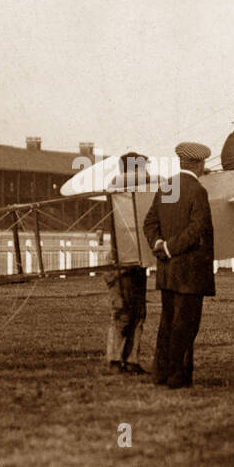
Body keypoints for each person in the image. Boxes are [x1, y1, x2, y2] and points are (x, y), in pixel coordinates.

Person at [143, 142, 215, 389]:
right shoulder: (198, 191)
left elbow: (149, 223)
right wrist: (171, 247)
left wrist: (160, 244)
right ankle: (176, 376)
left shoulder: (166, 187)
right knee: (186, 326)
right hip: (190, 271)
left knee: (168, 322)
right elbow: (198, 228)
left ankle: (160, 374)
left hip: (167, 271)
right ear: (200, 164)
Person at [105, 153, 149, 374]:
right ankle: (115, 359)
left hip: (133, 259)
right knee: (122, 312)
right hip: (120, 260)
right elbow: (147, 178)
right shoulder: (121, 184)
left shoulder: (131, 191)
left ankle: (131, 359)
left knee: (138, 312)